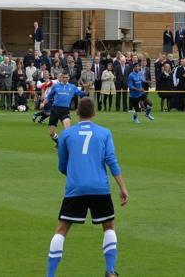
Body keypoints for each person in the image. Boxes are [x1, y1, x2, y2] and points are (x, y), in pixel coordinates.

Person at [47, 97, 127, 277]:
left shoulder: (66, 134)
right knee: (109, 226)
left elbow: (62, 165)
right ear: (94, 113)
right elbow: (111, 160)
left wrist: (76, 174)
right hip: (100, 187)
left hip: (75, 188)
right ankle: (110, 271)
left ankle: (50, 275)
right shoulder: (105, 133)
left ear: (77, 112)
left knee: (61, 230)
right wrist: (122, 187)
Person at [44, 71, 85, 147]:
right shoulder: (56, 86)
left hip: (65, 110)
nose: (65, 79)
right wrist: (44, 102)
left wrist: (87, 89)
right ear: (61, 78)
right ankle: (58, 142)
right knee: (51, 133)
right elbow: (49, 96)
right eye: (63, 77)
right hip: (55, 109)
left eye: (66, 77)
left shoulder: (72, 87)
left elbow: (82, 94)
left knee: (68, 130)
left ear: (69, 78)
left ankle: (68, 145)